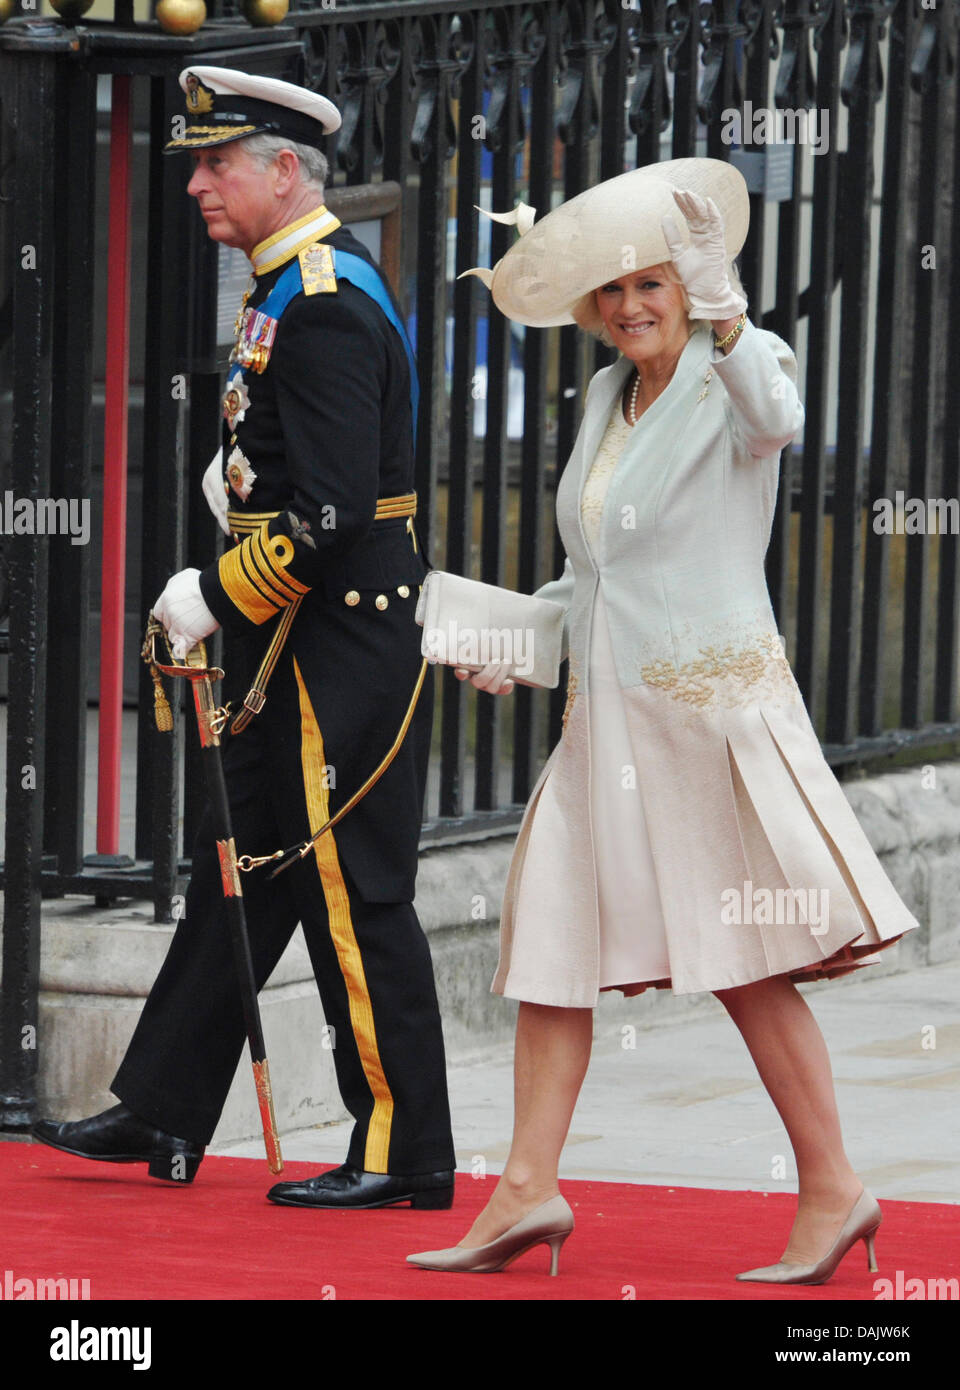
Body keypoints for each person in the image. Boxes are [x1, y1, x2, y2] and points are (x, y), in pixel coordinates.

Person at [407, 158, 917, 1278]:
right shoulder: (600, 399)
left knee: (746, 964)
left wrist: (728, 309)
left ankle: (832, 1189)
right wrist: (508, 641)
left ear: (687, 288)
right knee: (551, 948)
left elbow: (777, 419)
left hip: (706, 721)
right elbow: (594, 574)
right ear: (592, 311)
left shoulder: (743, 368)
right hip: (605, 728)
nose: (634, 305)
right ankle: (527, 1193)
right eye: (614, 291)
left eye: (653, 284)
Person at [32, 67, 456, 1211]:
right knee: (240, 873)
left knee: (352, 890)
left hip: (334, 645)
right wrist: (240, 490)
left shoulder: (319, 297)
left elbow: (331, 517)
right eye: (196, 163)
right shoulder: (286, 284)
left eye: (217, 164)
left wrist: (213, 591)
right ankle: (166, 1104)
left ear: (283, 170)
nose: (195, 183)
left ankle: (400, 1149)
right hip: (298, 639)